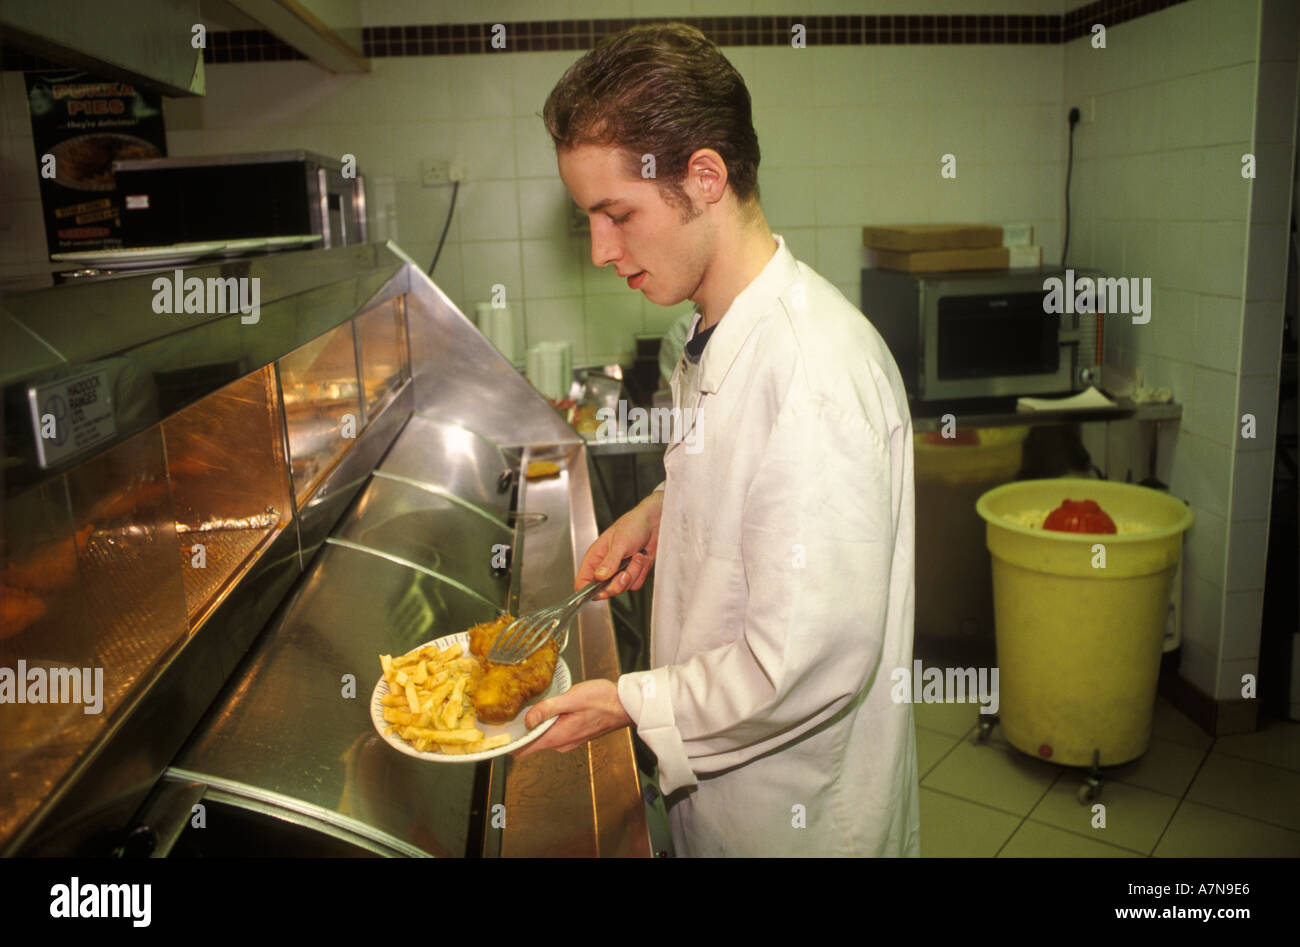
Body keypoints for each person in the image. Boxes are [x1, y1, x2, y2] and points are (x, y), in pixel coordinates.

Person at [516, 22, 921, 858]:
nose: (600, 251)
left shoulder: (814, 375)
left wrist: (628, 703)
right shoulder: (717, 330)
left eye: (616, 213)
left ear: (705, 177)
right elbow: (756, 482)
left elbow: (799, 666)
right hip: (726, 806)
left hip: (798, 823)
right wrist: (671, 509)